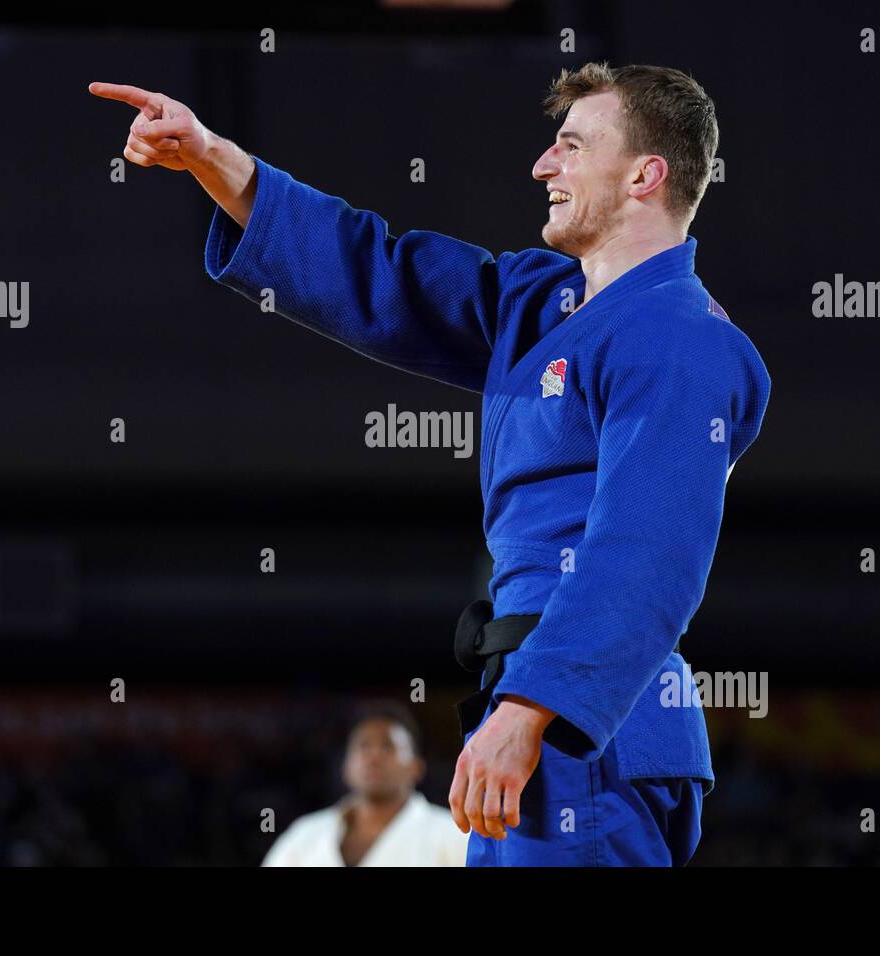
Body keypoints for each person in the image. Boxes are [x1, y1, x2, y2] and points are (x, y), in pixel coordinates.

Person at [90, 60, 770, 866]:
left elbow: (646, 557)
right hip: (535, 704)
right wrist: (213, 157)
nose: (543, 165)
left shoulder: (679, 338)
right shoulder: (541, 302)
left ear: (646, 175)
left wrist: (529, 712)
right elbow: (382, 272)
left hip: (588, 723)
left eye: (572, 146)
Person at [261, 704, 467, 867]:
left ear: (416, 767)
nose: (373, 756)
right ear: (346, 767)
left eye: (388, 746)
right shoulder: (305, 833)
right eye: (363, 746)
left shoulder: (451, 834)